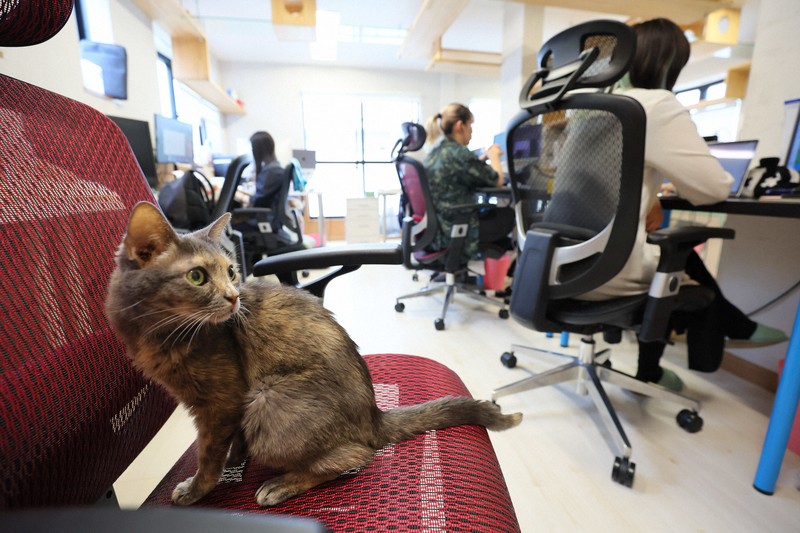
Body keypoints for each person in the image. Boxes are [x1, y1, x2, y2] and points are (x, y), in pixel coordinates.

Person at [596, 18, 787, 391]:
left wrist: (647, 196)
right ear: (669, 66)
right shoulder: (656, 104)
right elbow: (713, 189)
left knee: (673, 247)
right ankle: (731, 325)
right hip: (612, 267)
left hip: (566, 260)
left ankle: (724, 330)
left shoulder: (598, 107)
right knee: (677, 251)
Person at [423, 103, 516, 263]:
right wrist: (494, 156)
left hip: (437, 229)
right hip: (456, 228)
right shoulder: (460, 153)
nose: (472, 131)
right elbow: (498, 181)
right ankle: (504, 272)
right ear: (460, 126)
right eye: (470, 125)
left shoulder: (437, 152)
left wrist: (480, 160)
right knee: (508, 214)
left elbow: (459, 170)